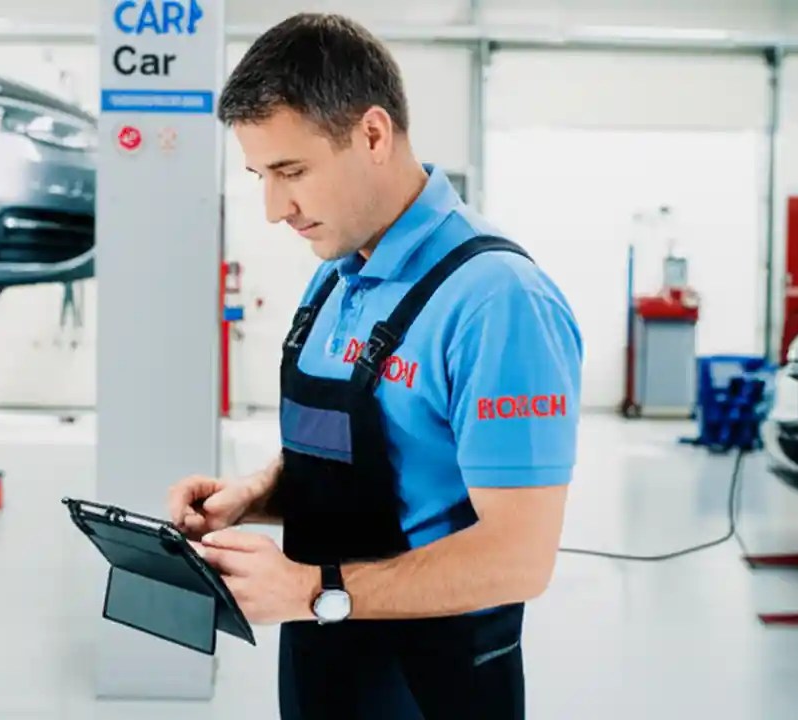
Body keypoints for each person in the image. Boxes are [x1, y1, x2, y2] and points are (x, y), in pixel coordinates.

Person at [166, 12, 582, 720]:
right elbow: (372, 454)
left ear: (373, 135)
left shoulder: (496, 300)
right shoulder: (336, 275)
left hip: (431, 684)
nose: (274, 208)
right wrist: (254, 495)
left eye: (291, 171)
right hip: (324, 660)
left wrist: (312, 590)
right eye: (260, 176)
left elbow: (520, 559)